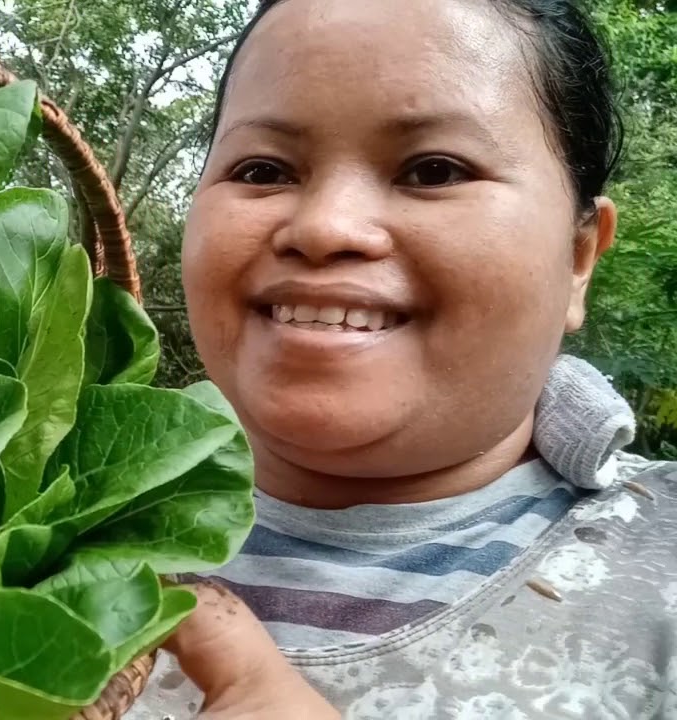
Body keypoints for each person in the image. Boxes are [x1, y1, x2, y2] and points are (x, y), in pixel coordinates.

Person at [124, 0, 677, 717]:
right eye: (262, 169)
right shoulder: (13, 530)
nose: (324, 227)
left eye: (435, 170)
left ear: (578, 258)